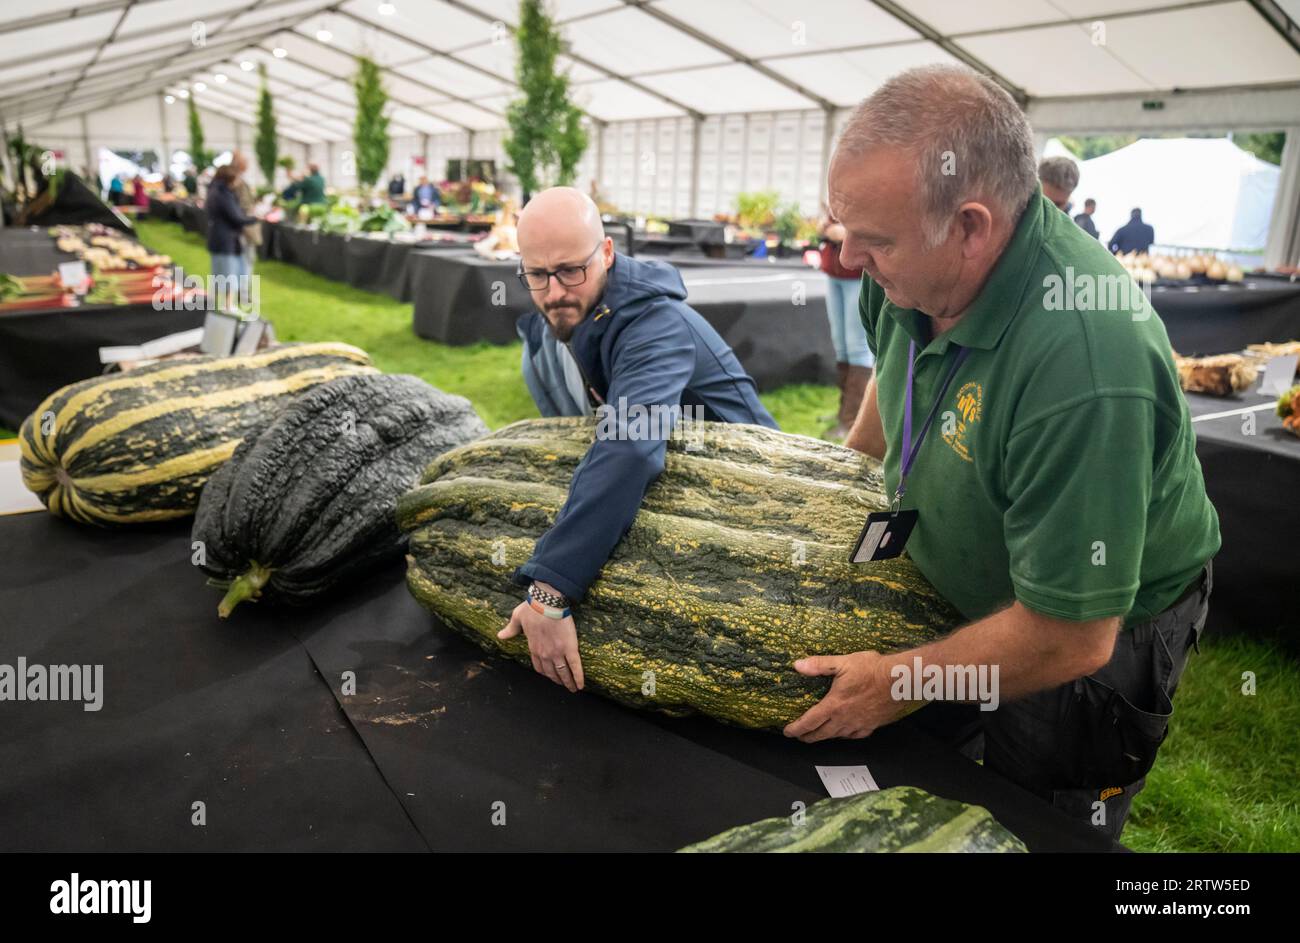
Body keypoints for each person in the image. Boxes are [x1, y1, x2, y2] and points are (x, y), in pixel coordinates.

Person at [796, 64, 1219, 842]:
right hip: (974, 578)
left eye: (875, 239)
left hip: (1092, 626)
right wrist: (850, 482)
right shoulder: (908, 275)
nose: (849, 257)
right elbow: (893, 390)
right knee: (926, 779)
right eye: (842, 226)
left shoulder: (1086, 363)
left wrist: (897, 681)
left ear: (970, 226)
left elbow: (1070, 633)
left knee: (1040, 812)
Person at [500, 187, 778, 693]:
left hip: (761, 493)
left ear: (606, 253)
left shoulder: (656, 323)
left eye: (570, 270)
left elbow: (630, 443)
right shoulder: (593, 305)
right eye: (536, 275)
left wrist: (551, 590)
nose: (555, 290)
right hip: (689, 476)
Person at [817, 209, 873, 439]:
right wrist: (827, 227)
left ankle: (851, 420)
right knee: (842, 344)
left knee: (858, 347)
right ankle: (844, 411)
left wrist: (842, 232)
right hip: (836, 272)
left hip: (858, 274)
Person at [206, 164, 259, 309]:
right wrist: (255, 218)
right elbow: (236, 217)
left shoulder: (213, 190)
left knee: (219, 274)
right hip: (226, 239)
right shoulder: (223, 194)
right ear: (230, 179)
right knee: (230, 274)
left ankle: (214, 305)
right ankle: (228, 306)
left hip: (218, 237)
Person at [228, 152, 262, 278]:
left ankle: (242, 290)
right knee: (246, 258)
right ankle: (243, 292)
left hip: (242, 222)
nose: (247, 164)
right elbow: (241, 204)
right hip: (243, 224)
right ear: (239, 164)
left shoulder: (237, 179)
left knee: (246, 257)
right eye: (245, 162)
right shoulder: (236, 181)